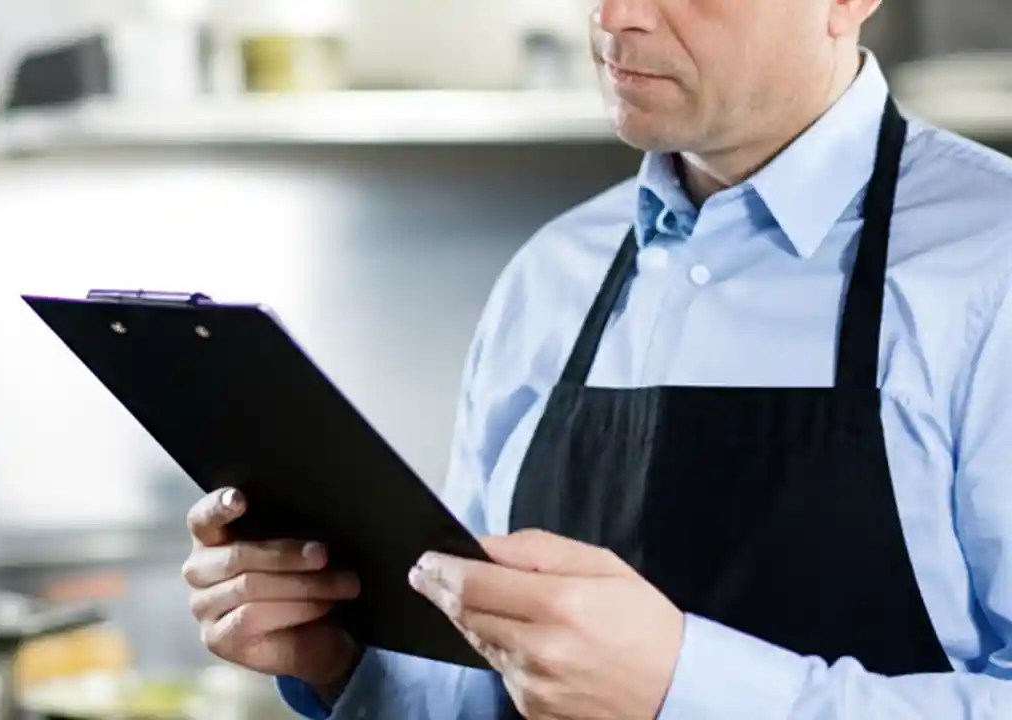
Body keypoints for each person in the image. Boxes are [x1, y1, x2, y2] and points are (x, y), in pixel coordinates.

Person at [182, 0, 1012, 717]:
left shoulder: (991, 265)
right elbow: (478, 680)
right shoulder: (550, 275)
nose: (615, 20)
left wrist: (683, 690)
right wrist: (340, 662)